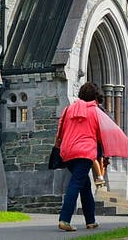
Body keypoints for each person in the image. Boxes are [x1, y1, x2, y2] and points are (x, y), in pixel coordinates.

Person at [54, 81, 103, 232]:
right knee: (75, 184)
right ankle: (64, 219)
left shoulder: (68, 109)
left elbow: (60, 132)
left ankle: (90, 220)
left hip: (67, 152)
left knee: (84, 184)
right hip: (85, 153)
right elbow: (101, 135)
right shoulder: (95, 112)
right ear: (94, 96)